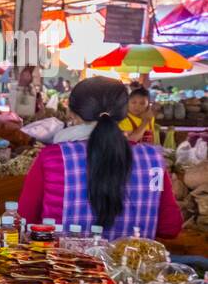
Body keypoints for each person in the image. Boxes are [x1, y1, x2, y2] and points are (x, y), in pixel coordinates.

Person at [19, 77, 181, 239]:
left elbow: (25, 220)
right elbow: (170, 227)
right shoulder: (153, 160)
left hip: (63, 263)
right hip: (132, 263)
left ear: (73, 114)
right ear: (124, 112)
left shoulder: (53, 157)